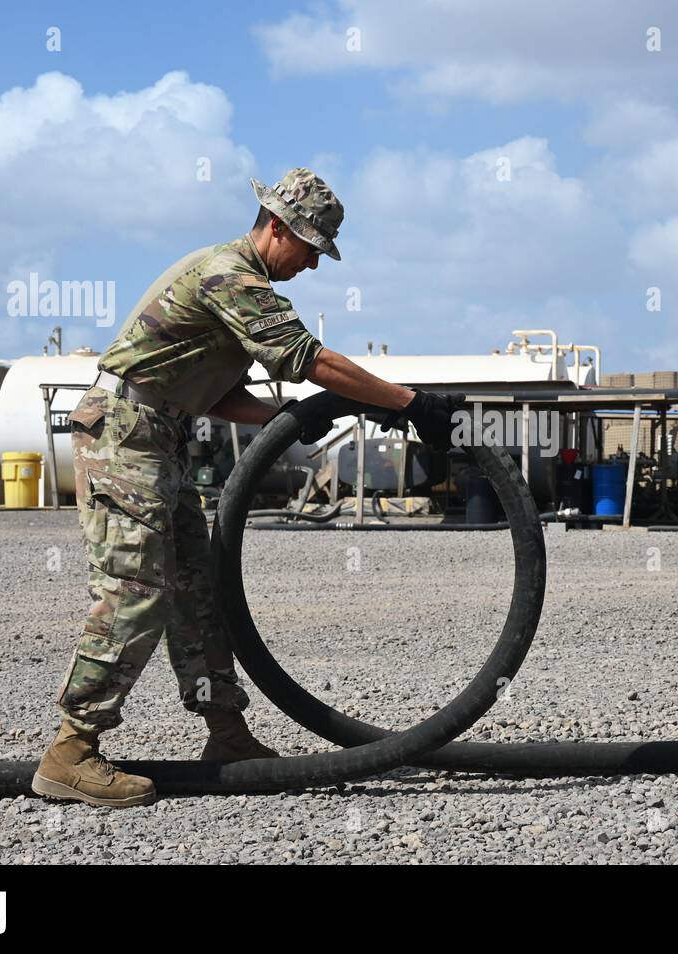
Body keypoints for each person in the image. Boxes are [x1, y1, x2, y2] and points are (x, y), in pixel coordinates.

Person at [31, 168, 459, 807]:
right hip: (125, 435)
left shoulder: (238, 281)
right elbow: (304, 356)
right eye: (311, 249)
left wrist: (297, 416)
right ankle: (71, 750)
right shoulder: (230, 275)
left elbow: (218, 392)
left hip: (159, 436)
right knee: (137, 591)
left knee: (198, 595)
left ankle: (226, 734)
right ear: (280, 228)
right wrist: (409, 402)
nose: (312, 265)